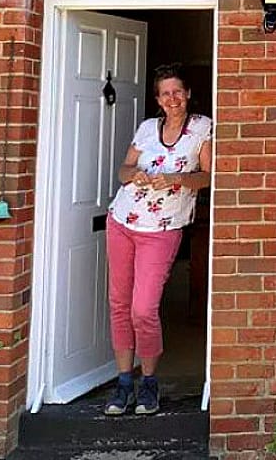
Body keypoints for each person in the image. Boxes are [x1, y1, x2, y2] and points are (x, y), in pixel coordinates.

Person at [103, 63, 212, 416]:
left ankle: (149, 382)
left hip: (163, 230)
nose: (172, 98)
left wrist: (177, 179)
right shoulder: (148, 128)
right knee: (119, 303)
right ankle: (123, 382)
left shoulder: (202, 128)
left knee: (143, 308)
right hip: (122, 221)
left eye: (177, 91)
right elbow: (122, 170)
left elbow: (209, 176)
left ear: (188, 94)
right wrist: (133, 175)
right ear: (158, 99)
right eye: (165, 93)